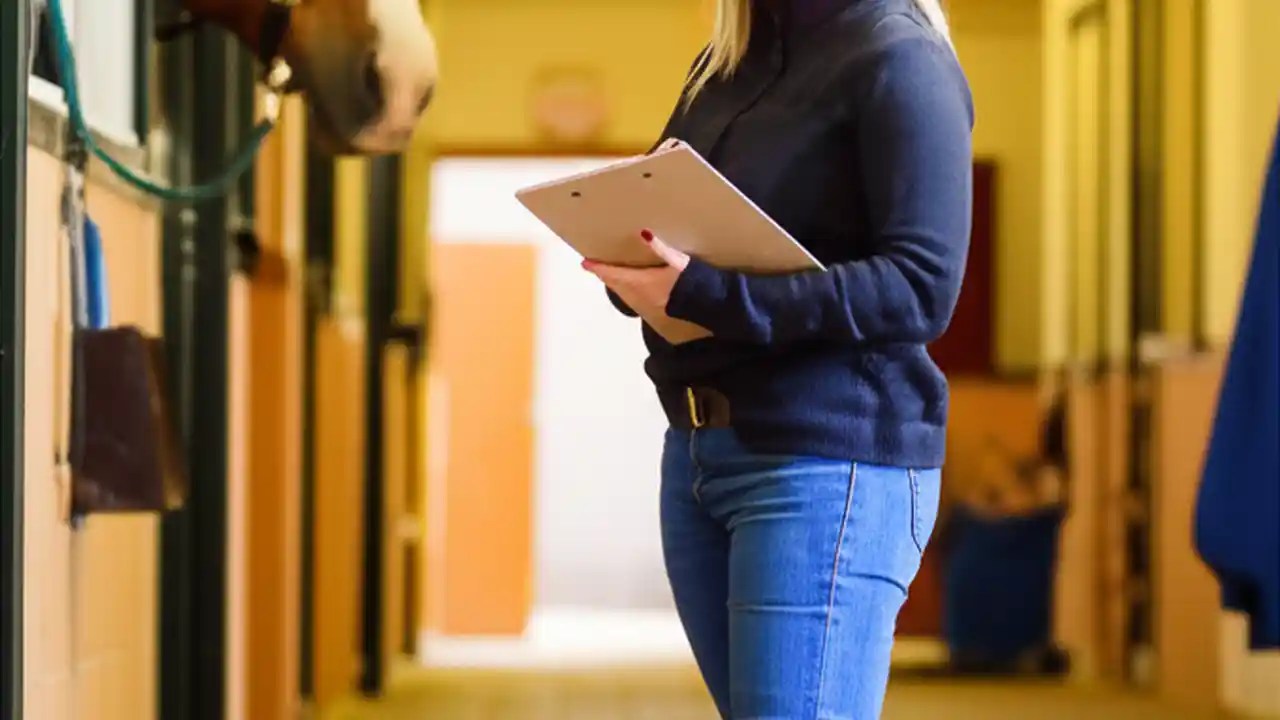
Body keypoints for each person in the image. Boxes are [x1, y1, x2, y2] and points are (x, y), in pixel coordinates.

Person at [583, 0, 973, 717]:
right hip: (701, 456)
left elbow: (922, 289)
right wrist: (636, 268)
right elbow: (670, 235)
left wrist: (713, 295)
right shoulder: (721, 65)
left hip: (825, 462)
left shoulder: (899, 57)